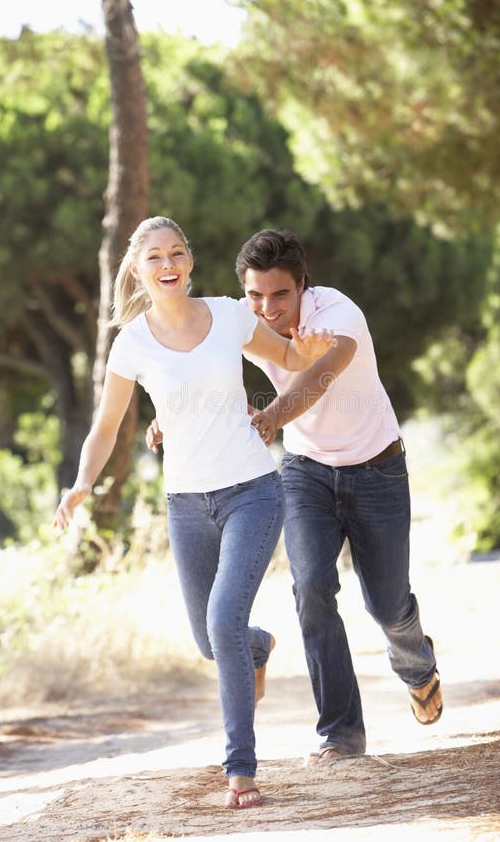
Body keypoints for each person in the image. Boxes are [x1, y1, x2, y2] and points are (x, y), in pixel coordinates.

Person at [53, 216, 335, 807]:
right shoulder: (131, 343)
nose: (167, 264)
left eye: (176, 252)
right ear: (137, 269)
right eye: (154, 256)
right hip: (185, 504)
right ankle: (258, 647)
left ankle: (241, 770)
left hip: (253, 491)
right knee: (214, 640)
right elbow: (106, 427)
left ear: (190, 260)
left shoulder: (230, 315)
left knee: (221, 620)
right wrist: (81, 484)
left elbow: (285, 357)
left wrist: (307, 353)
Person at [148, 227, 443, 763]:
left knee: (387, 603)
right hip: (305, 471)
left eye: (280, 294)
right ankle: (341, 734)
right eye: (255, 294)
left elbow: (321, 375)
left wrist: (270, 418)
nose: (266, 308)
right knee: (310, 590)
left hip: (376, 468)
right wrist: (168, 417)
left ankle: (418, 665)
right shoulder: (238, 318)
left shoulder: (338, 315)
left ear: (303, 286)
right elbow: (197, 370)